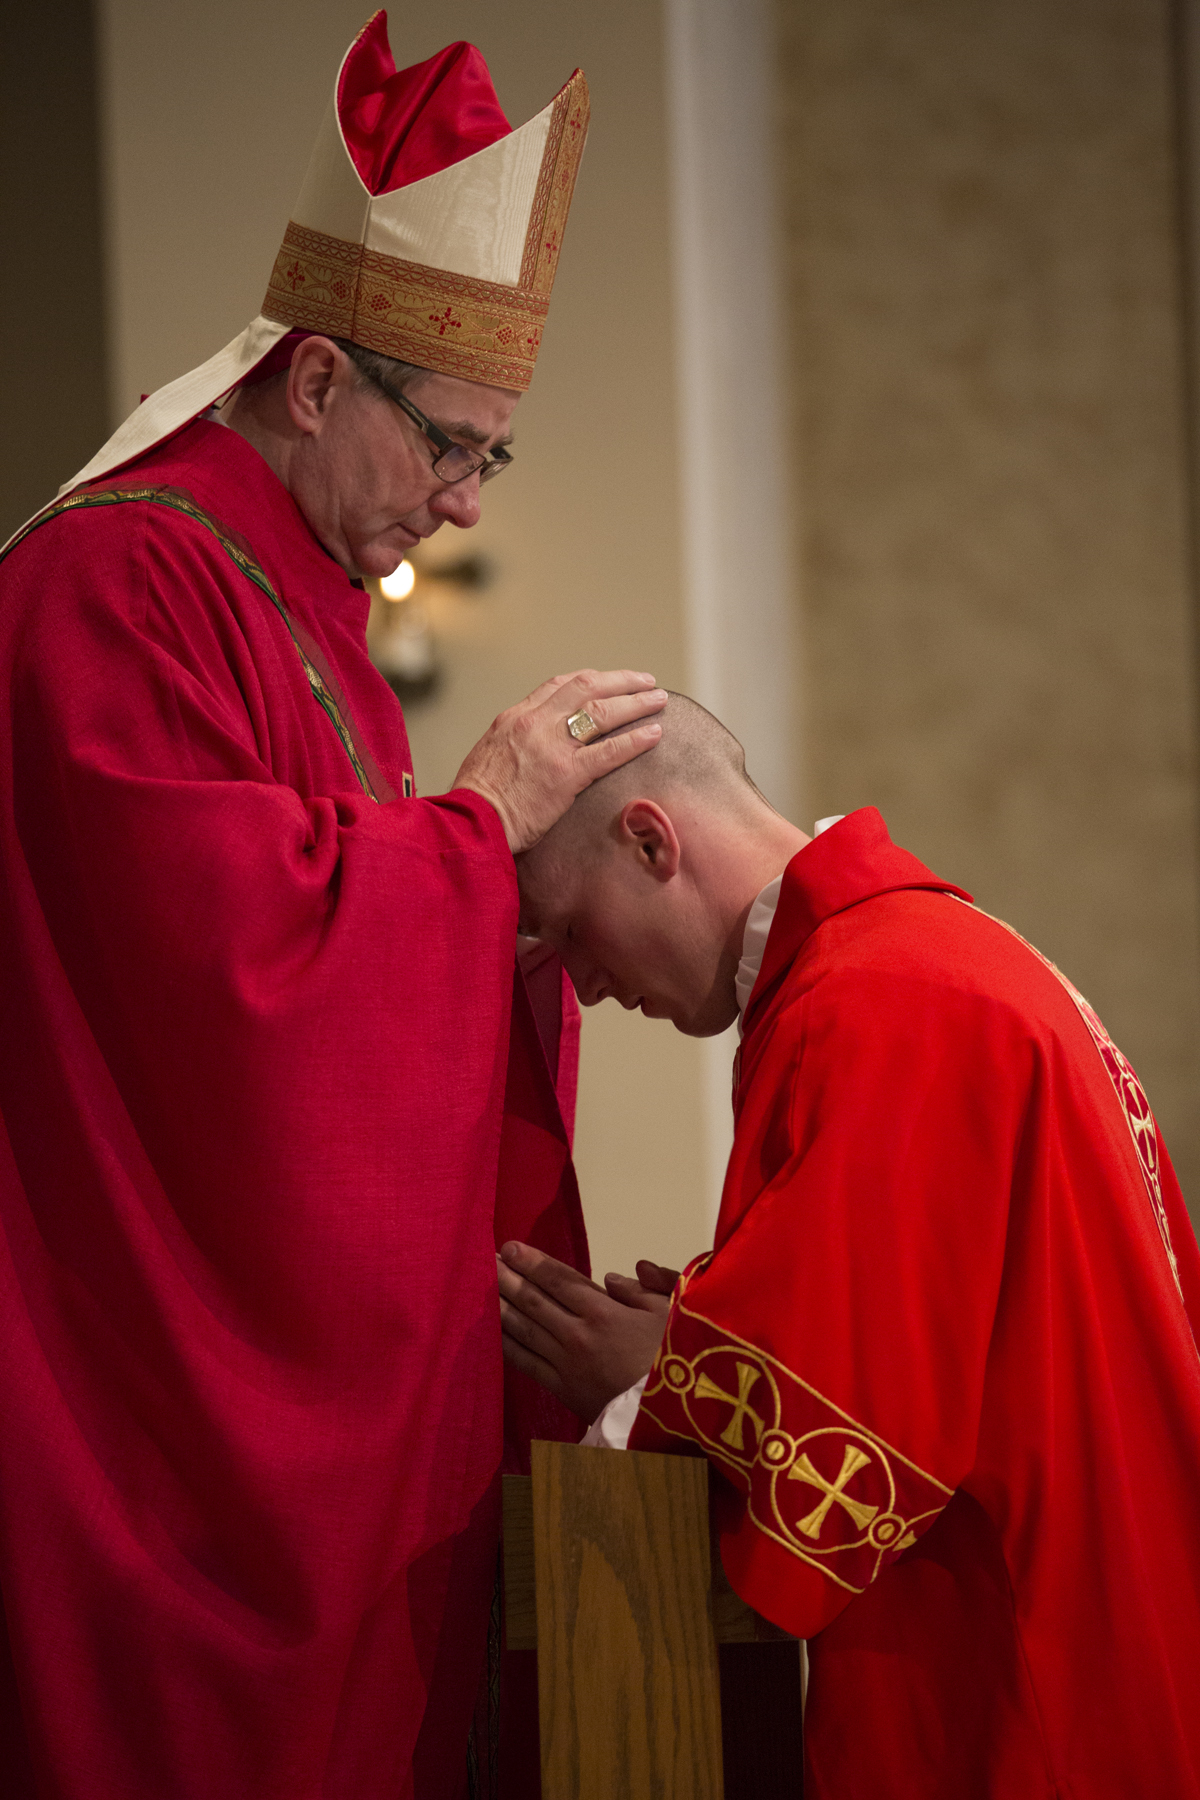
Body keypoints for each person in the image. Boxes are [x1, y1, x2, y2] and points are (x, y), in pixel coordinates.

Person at [0, 17, 663, 1799]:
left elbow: (345, 928)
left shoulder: (304, 607)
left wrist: (499, 927)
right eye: (454, 447)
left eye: (490, 469)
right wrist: (478, 837)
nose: (458, 505)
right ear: (311, 381)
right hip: (138, 1412)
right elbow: (218, 973)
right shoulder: (120, 578)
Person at [498, 692, 1200, 1800]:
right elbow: (946, 1319)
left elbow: (874, 1412)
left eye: (572, 930)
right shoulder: (922, 958)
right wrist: (707, 1331)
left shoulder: (880, 998)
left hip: (1027, 1682)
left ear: (649, 840)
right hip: (1107, 1622)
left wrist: (657, 1375)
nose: (580, 984)